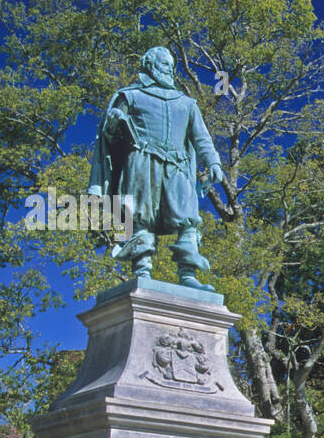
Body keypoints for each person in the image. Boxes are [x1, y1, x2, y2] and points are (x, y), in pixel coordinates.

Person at [88, 46, 224, 292]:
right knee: (141, 218)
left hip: (178, 166)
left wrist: (213, 161)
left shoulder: (187, 103)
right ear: (149, 66)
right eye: (162, 64)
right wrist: (112, 124)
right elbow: (109, 139)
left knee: (188, 220)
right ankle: (142, 271)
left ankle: (188, 275)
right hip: (141, 163)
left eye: (170, 65)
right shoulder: (129, 96)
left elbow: (201, 137)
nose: (168, 69)